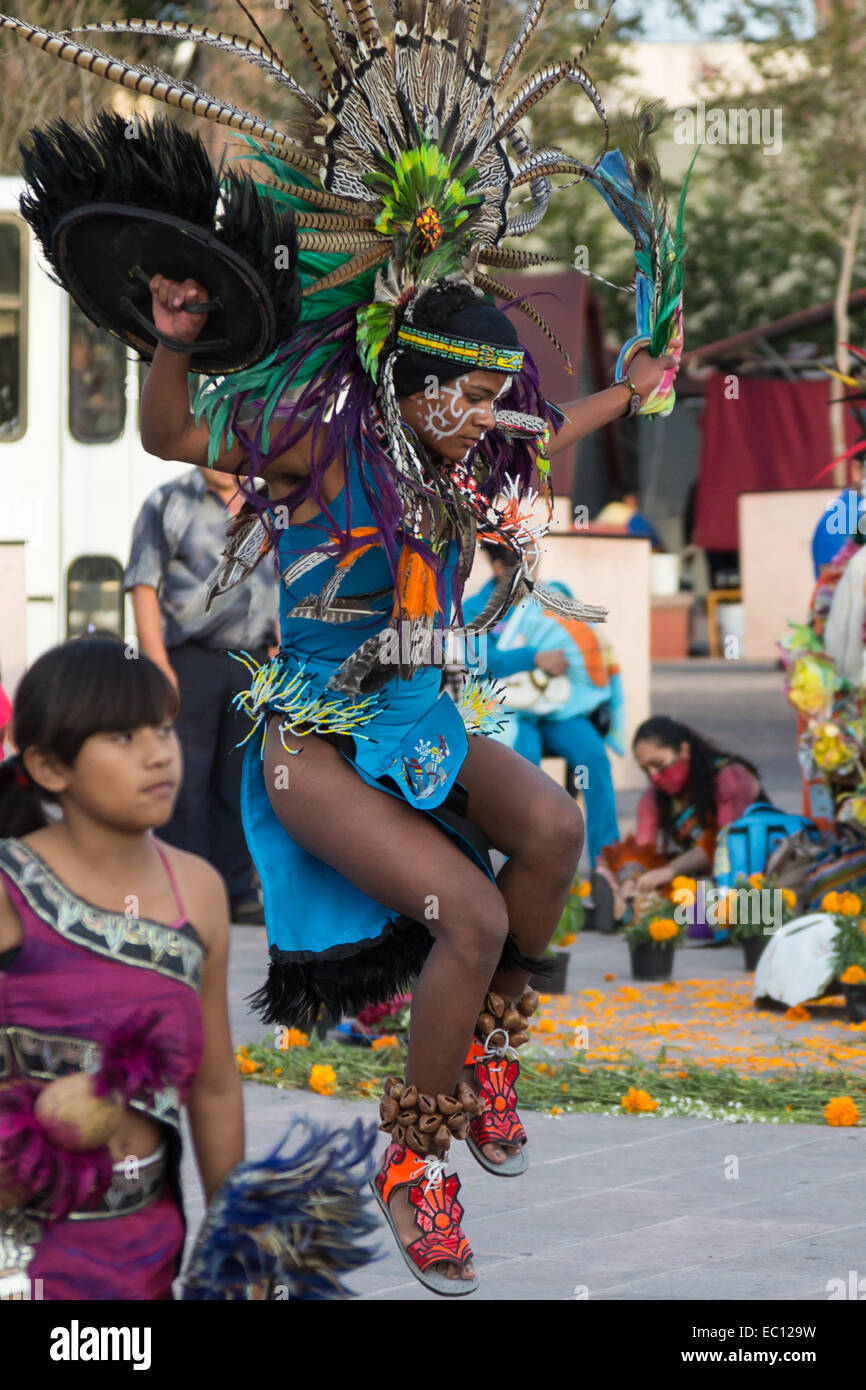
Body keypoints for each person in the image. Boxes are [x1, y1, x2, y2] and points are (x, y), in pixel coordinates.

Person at [140, 268, 675, 1294]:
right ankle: (416, 1161)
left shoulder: (469, 455)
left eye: (492, 399)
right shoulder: (322, 448)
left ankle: (483, 1054)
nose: (487, 418)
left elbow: (549, 421)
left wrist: (632, 386)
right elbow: (170, 433)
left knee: (556, 830)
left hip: (418, 720)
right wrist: (175, 336)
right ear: (415, 382)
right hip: (314, 737)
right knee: (468, 917)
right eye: (469, 397)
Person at [0, 637, 243, 1300]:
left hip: (143, 1254)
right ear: (50, 765)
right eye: (122, 735)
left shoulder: (200, 891)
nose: (159, 751)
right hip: (21, 1263)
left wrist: (237, 1241)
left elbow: (215, 1086)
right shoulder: (9, 886)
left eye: (163, 727)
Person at [125, 466, 279, 924]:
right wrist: (156, 661)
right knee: (186, 780)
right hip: (188, 659)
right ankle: (179, 890)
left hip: (254, 661)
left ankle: (235, 891)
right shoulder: (168, 501)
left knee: (242, 779)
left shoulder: (268, 504)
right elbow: (143, 582)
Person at [462, 542, 622, 865]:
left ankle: (609, 863)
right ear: (498, 568)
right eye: (526, 564)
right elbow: (478, 661)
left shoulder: (551, 599)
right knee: (526, 766)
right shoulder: (476, 608)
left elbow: (582, 641)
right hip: (513, 711)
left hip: (560, 709)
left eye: (536, 563)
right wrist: (534, 657)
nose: (535, 572)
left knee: (592, 756)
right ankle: (526, 862)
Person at [595, 714, 765, 929]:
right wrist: (631, 878)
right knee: (621, 873)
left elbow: (724, 844)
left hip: (746, 874)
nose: (654, 776)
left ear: (684, 751)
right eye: (646, 770)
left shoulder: (730, 777)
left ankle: (636, 911)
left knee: (690, 896)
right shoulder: (653, 797)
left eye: (658, 764)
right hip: (696, 877)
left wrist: (670, 870)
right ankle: (624, 904)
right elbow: (642, 849)